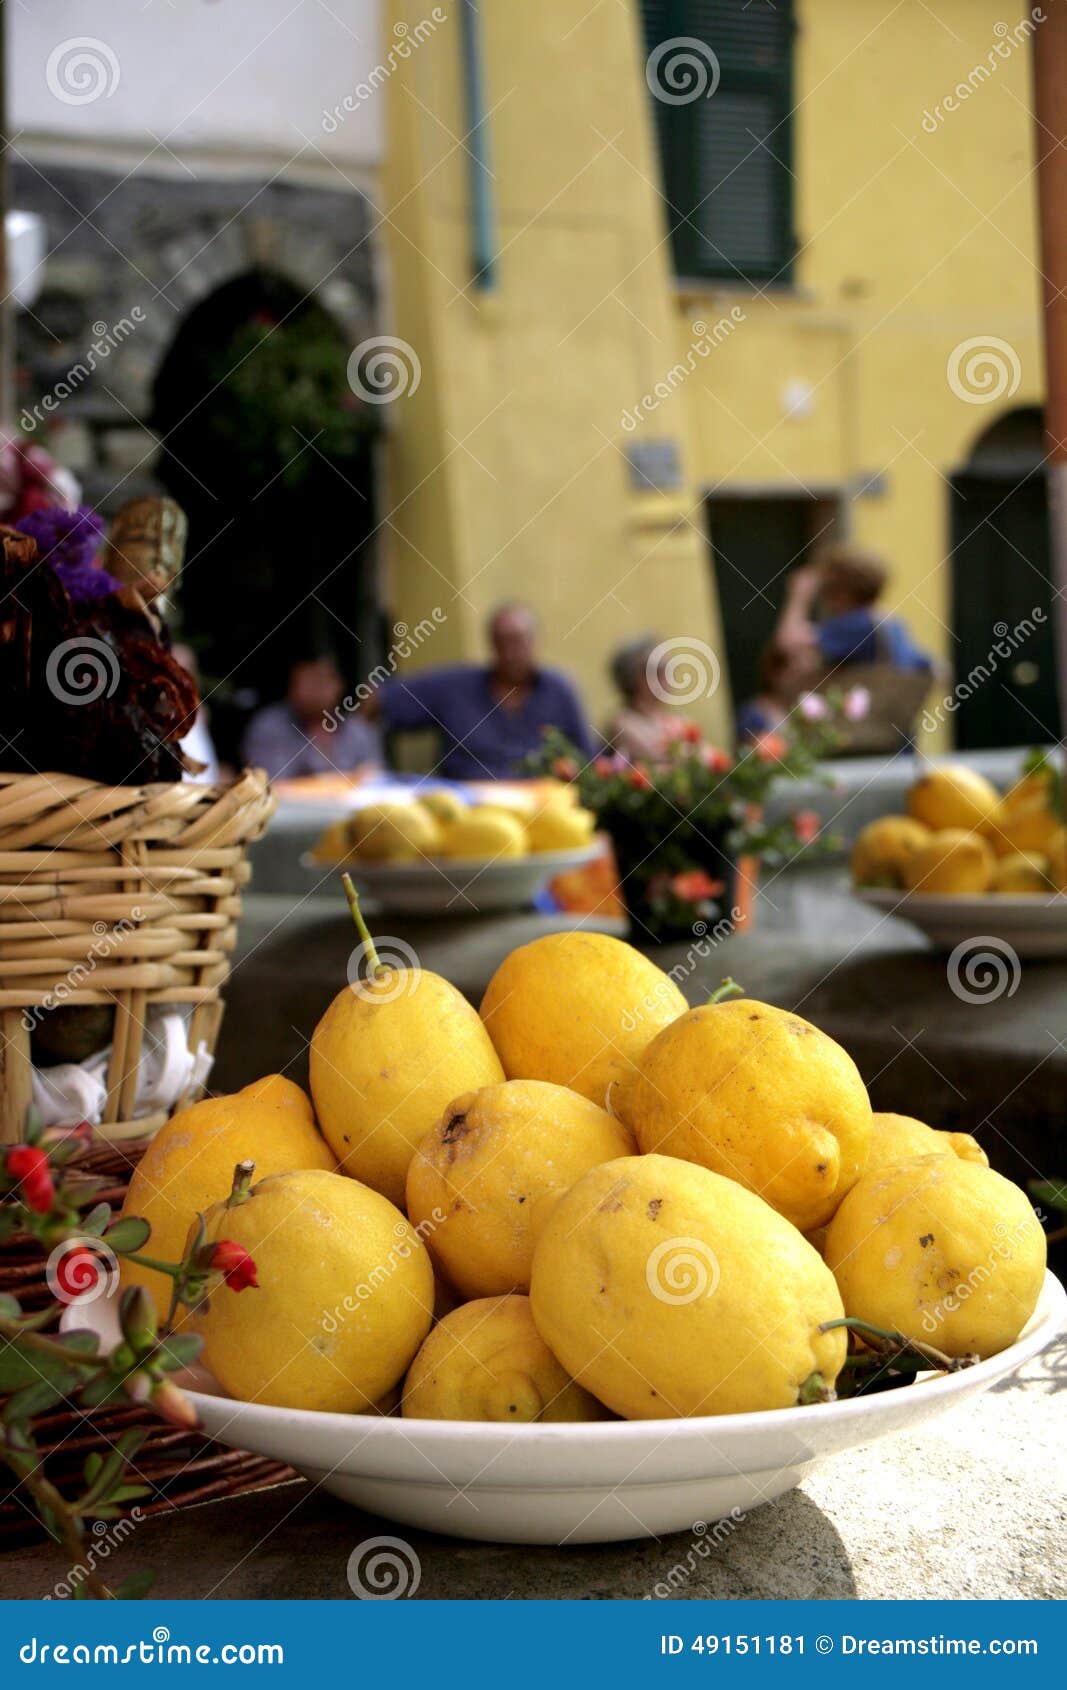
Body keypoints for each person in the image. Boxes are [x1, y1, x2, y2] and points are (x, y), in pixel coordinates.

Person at [372, 602, 595, 780]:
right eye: (501, 642)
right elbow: (378, 702)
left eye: (517, 641)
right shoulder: (455, 687)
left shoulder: (559, 691)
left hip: (540, 810)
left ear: (535, 641)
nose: (510, 653)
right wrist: (358, 753)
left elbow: (586, 761)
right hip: (466, 811)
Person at [774, 545, 932, 675]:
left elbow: (787, 643)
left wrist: (799, 596)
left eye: (828, 590)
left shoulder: (857, 625)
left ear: (843, 593)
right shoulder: (893, 623)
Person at [242, 655, 381, 780]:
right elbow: (273, 781)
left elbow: (374, 775)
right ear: (291, 688)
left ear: (339, 686)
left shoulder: (356, 727)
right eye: (308, 682)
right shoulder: (270, 725)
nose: (316, 691)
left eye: (323, 682)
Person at [604, 636, 700, 762]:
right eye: (655, 669)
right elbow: (657, 758)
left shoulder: (676, 720)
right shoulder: (623, 724)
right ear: (632, 677)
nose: (666, 676)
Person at [736, 640, 822, 744]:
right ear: (774, 675)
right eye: (793, 674)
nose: (798, 681)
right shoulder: (753, 714)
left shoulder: (802, 710)